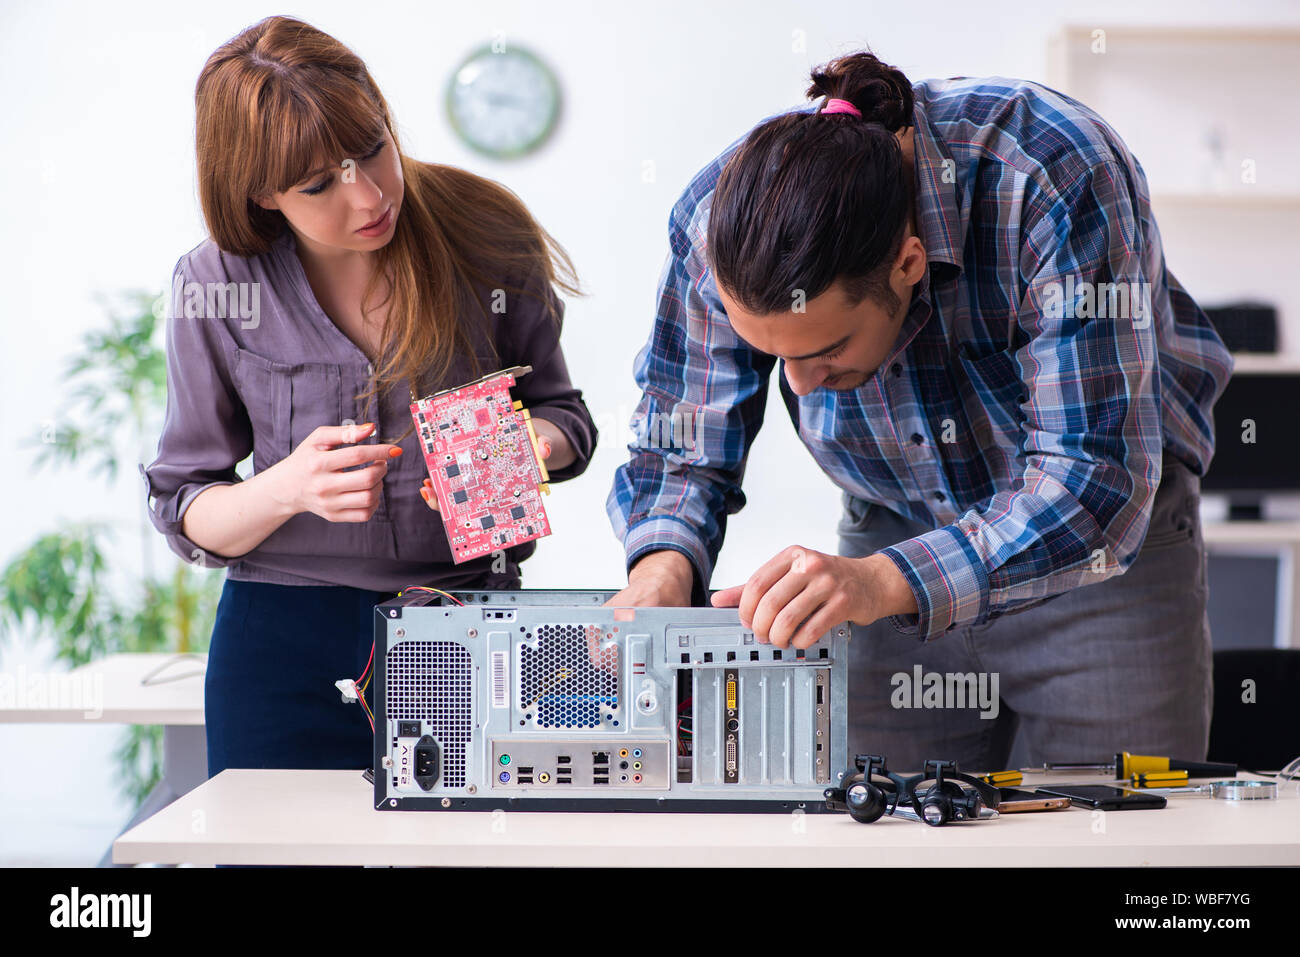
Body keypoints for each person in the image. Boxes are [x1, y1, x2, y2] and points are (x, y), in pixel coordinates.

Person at [606, 52, 1232, 772]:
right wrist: (662, 567)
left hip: (1098, 560)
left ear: (908, 262)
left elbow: (1093, 480)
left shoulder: (1053, 171)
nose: (802, 387)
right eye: (779, 357)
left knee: (1126, 838)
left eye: (828, 349)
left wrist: (878, 582)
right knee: (882, 825)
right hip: (890, 531)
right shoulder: (718, 224)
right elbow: (681, 442)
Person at [143, 16, 597, 778]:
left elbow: (566, 417)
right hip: (279, 644)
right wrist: (286, 489)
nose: (370, 194)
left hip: (463, 627)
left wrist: (529, 449)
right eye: (320, 184)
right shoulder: (216, 285)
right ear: (261, 193)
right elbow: (186, 503)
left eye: (374, 148)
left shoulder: (487, 234)